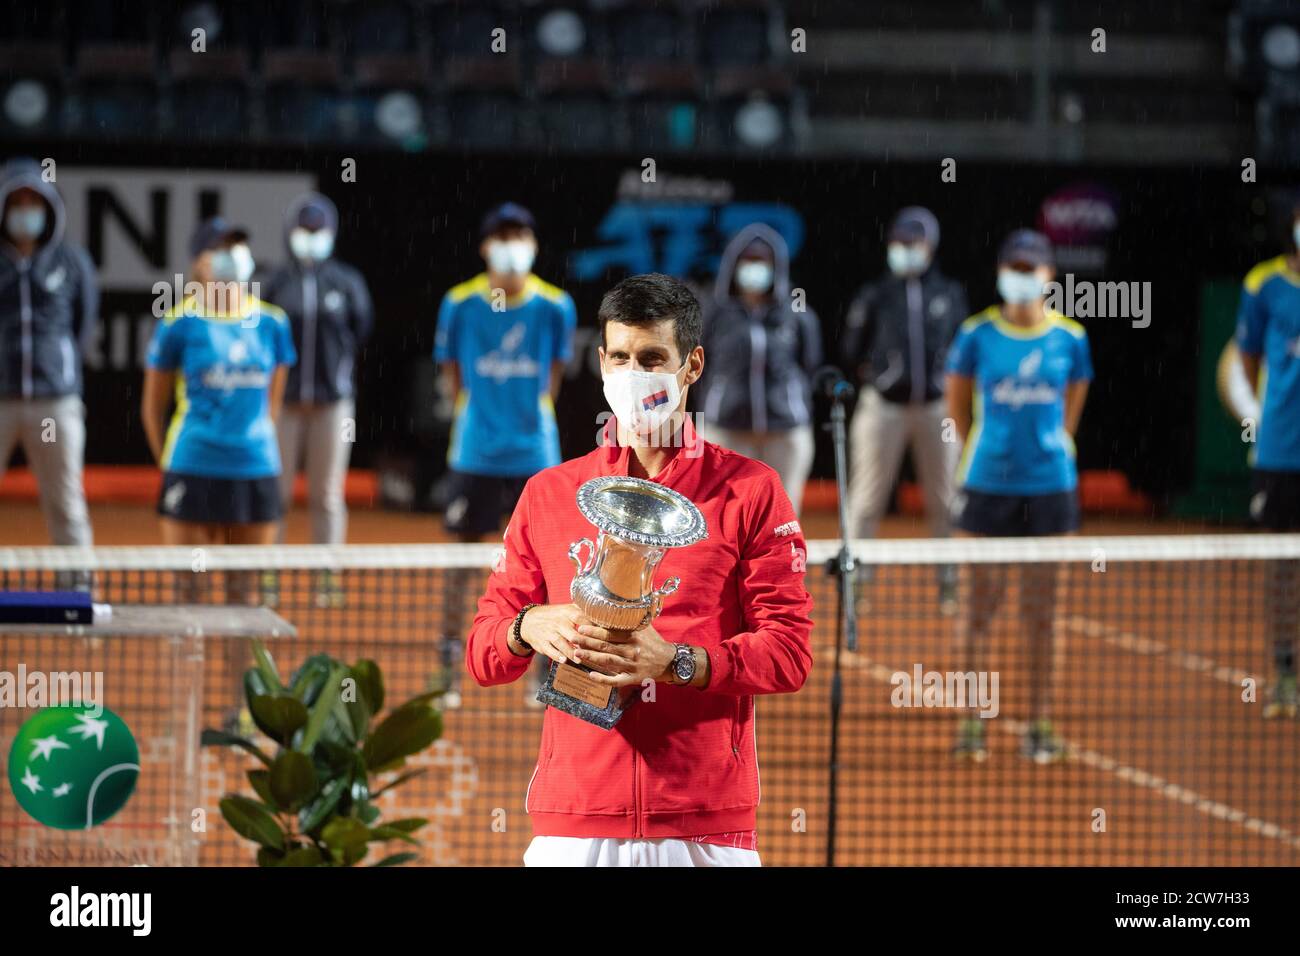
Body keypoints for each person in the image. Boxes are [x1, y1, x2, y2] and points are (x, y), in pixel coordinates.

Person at [465, 273, 813, 867]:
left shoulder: (751, 491)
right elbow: (482, 653)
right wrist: (528, 627)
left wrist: (678, 662)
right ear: (600, 363)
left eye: (653, 358)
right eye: (620, 358)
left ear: (692, 365)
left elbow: (788, 654)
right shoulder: (549, 493)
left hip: (703, 822)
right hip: (574, 820)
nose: (634, 374)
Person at [944, 229, 1092, 763]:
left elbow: (1074, 399)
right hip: (986, 488)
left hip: (1051, 490)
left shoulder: (1071, 340)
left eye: (1031, 268)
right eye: (1014, 266)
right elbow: (957, 407)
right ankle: (971, 724)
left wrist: (1057, 446)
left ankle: (1040, 721)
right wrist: (985, 452)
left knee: (1044, 615)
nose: (1022, 276)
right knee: (977, 611)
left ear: (1049, 274)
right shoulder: (976, 335)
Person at [433, 202, 577, 708]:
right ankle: (448, 668)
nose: (511, 245)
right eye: (502, 235)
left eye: (520, 235)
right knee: (459, 561)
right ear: (485, 246)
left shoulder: (556, 306)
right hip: (474, 454)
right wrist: (477, 414)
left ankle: (546, 669)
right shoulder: (459, 303)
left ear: (534, 246)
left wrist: (528, 417)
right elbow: (452, 372)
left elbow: (554, 375)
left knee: (549, 564)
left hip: (534, 455)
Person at [141, 217, 296, 562]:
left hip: (254, 469)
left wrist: (251, 439)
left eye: (235, 248)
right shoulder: (177, 324)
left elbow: (273, 404)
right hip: (192, 465)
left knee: (246, 596)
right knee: (189, 590)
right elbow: (152, 409)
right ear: (200, 262)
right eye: (220, 249)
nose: (232, 255)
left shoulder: (274, 323)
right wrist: (168, 465)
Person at [841, 207, 967, 610]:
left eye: (914, 242)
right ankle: (857, 583)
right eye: (899, 242)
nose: (905, 249)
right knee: (866, 500)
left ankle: (949, 582)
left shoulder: (949, 294)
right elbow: (850, 348)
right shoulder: (875, 293)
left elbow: (962, 353)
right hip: (883, 408)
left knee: (946, 500)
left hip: (938, 409)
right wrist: (880, 376)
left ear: (930, 245)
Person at [262, 192, 374, 608]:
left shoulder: (346, 283)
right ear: (291, 233)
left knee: (327, 495)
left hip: (333, 407)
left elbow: (360, 330)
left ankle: (326, 577)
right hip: (283, 407)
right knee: (276, 493)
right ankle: (268, 575)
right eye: (304, 230)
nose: (310, 237)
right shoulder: (274, 283)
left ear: (330, 234)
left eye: (317, 230)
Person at [0, 157, 98, 568]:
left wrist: (54, 369)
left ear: (49, 206)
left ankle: (76, 598)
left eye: (34, 202)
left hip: (53, 404)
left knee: (65, 502)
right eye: (17, 202)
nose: (26, 211)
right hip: (1, 402)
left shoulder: (71, 261)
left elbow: (83, 323)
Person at [697, 223, 822, 514]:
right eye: (748, 262)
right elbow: (696, 365)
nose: (754, 269)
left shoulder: (796, 313)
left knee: (782, 514)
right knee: (723, 514)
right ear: (734, 265)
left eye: (762, 262)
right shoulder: (714, 311)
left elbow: (810, 364)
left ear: (776, 267)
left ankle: (780, 563)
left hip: (786, 431)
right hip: (725, 430)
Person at [1236, 200, 1300, 720]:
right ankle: (1284, 674)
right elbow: (1247, 356)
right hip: (1280, 453)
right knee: (1282, 568)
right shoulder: (1263, 285)